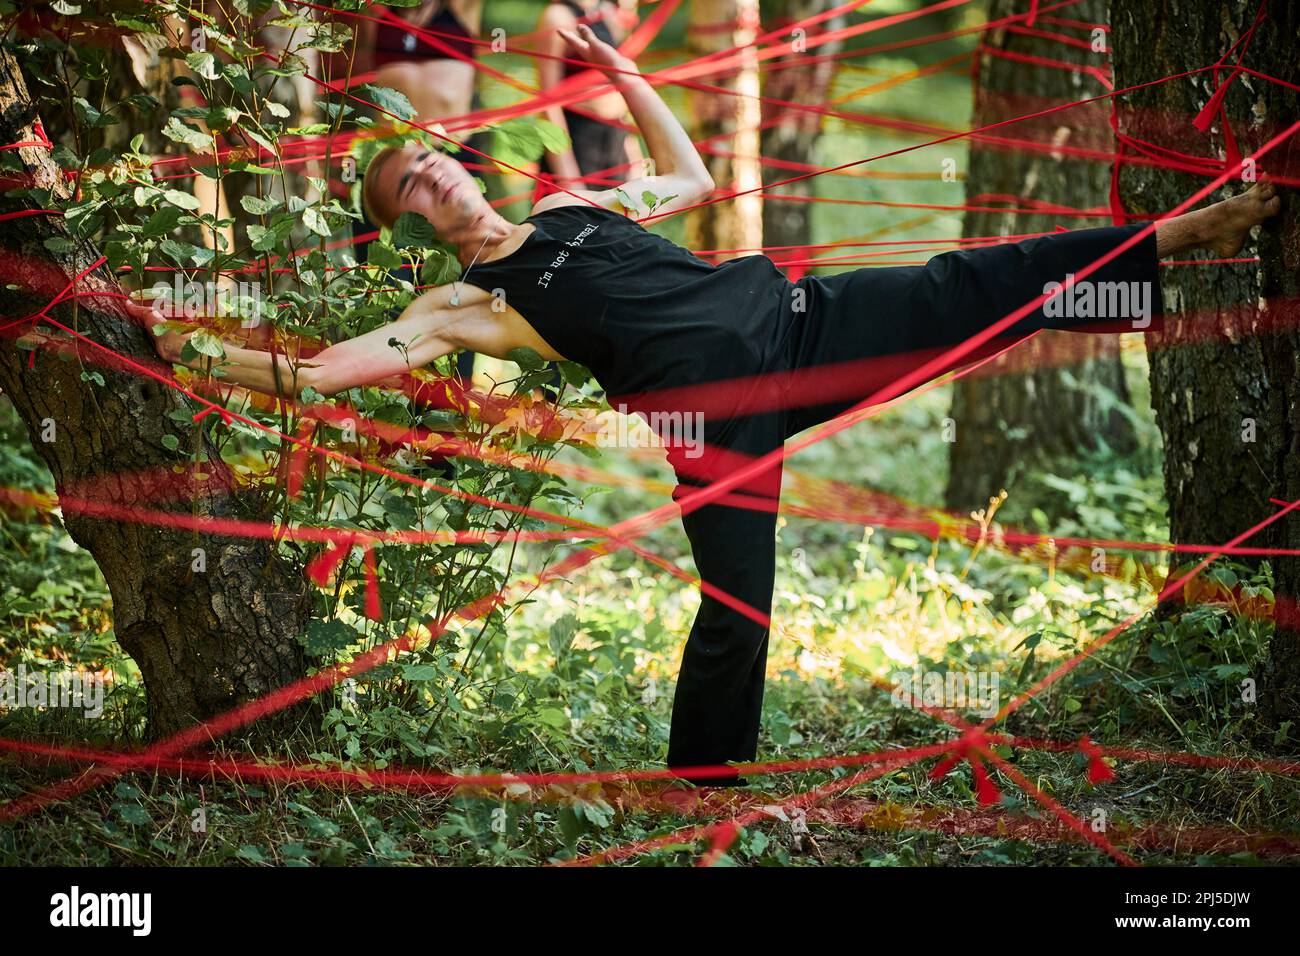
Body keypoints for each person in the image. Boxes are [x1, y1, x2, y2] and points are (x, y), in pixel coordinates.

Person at [129, 24, 1283, 787]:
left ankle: (1173, 243)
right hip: (715, 422)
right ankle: (702, 791)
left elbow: (685, 181)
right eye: (406, 189)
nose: (430, 180)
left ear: (459, 163)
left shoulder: (576, 201)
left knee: (976, 285)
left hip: (799, 322)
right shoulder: (462, 302)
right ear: (410, 221)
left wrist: (625, 74)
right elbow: (327, 372)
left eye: (429, 164)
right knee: (739, 608)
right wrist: (199, 349)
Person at [350, 0, 489, 384]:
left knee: (463, 278)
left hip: (452, 159)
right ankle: (388, 383)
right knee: (390, 277)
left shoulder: (462, 8)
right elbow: (359, 80)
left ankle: (456, 388)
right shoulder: (374, 11)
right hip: (393, 168)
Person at [533, 0, 643, 198]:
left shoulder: (605, 13)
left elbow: (620, 89)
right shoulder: (556, 16)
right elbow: (547, 104)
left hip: (614, 141)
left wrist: (634, 157)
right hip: (577, 145)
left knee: (619, 223)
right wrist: (569, 180)